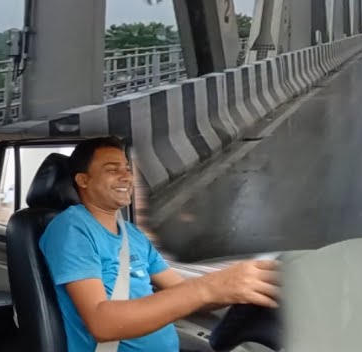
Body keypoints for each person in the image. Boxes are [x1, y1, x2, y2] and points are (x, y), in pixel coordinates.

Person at [40, 137, 279, 352]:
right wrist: (209, 287)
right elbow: (103, 324)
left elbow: (179, 288)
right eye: (112, 170)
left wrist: (239, 287)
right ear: (83, 180)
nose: (127, 177)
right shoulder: (71, 229)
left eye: (127, 169)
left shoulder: (132, 234)